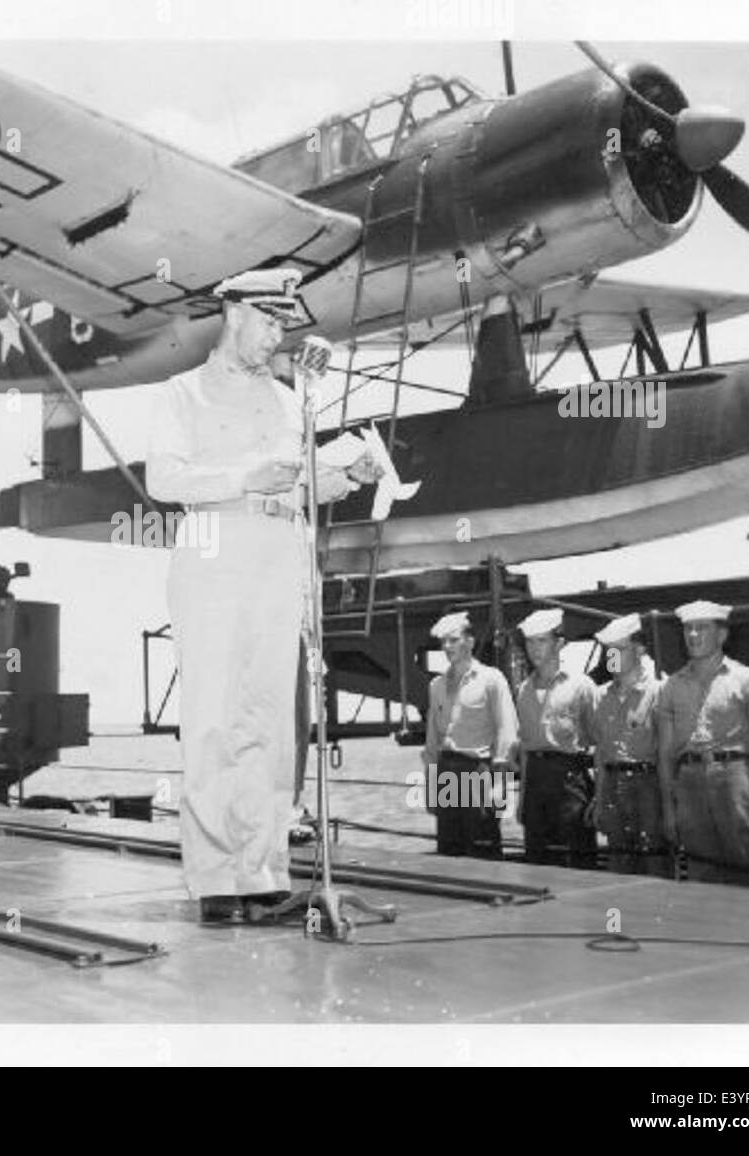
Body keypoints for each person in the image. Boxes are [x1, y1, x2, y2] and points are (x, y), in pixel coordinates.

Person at [145, 267, 382, 925]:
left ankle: (263, 868)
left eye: (284, 323)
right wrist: (245, 473)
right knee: (216, 718)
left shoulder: (286, 399)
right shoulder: (181, 393)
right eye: (270, 321)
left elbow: (301, 482)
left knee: (271, 720)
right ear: (234, 313)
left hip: (281, 552)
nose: (278, 334)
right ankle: (217, 878)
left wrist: (347, 475)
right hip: (216, 545)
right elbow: (164, 477)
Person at [656, 600, 749, 886]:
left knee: (745, 864)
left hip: (736, 779)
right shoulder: (671, 687)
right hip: (690, 782)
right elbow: (666, 754)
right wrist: (669, 811)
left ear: (722, 635)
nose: (693, 636)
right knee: (700, 870)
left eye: (702, 628)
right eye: (688, 630)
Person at [421, 612, 518, 858]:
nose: (446, 647)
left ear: (470, 642)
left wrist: (501, 786)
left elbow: (507, 731)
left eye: (453, 640)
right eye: (443, 642)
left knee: (483, 846)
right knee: (449, 847)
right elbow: (432, 742)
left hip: (479, 770)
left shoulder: (492, 679)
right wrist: (432, 789)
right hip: (446, 771)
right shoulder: (437, 686)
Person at [514, 607, 600, 868]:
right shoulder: (523, 691)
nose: (534, 648)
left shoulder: (581, 686)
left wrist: (599, 796)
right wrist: (522, 800)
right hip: (535, 785)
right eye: (530, 641)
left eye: (542, 640)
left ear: (559, 644)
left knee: (574, 858)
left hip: (570, 781)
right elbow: (527, 751)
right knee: (537, 860)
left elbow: (600, 743)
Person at [589, 614, 670, 876]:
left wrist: (669, 806)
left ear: (640, 649)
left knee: (653, 861)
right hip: (613, 785)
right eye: (608, 651)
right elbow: (600, 754)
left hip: (648, 785)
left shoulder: (659, 692)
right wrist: (600, 800)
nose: (612, 657)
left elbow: (667, 754)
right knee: (619, 863)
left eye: (619, 649)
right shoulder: (601, 697)